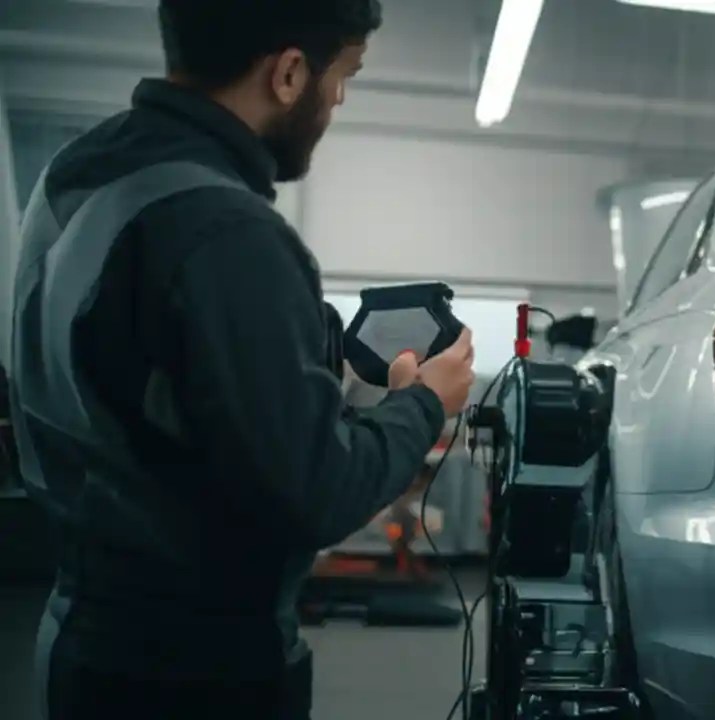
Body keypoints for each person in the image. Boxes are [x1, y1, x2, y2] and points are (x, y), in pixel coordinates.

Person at [4, 1, 475, 718]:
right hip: (197, 678)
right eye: (342, 76)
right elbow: (318, 493)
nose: (337, 100)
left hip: (83, 639)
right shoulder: (228, 230)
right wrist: (423, 404)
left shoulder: (82, 172)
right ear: (289, 73)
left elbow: (143, 375)